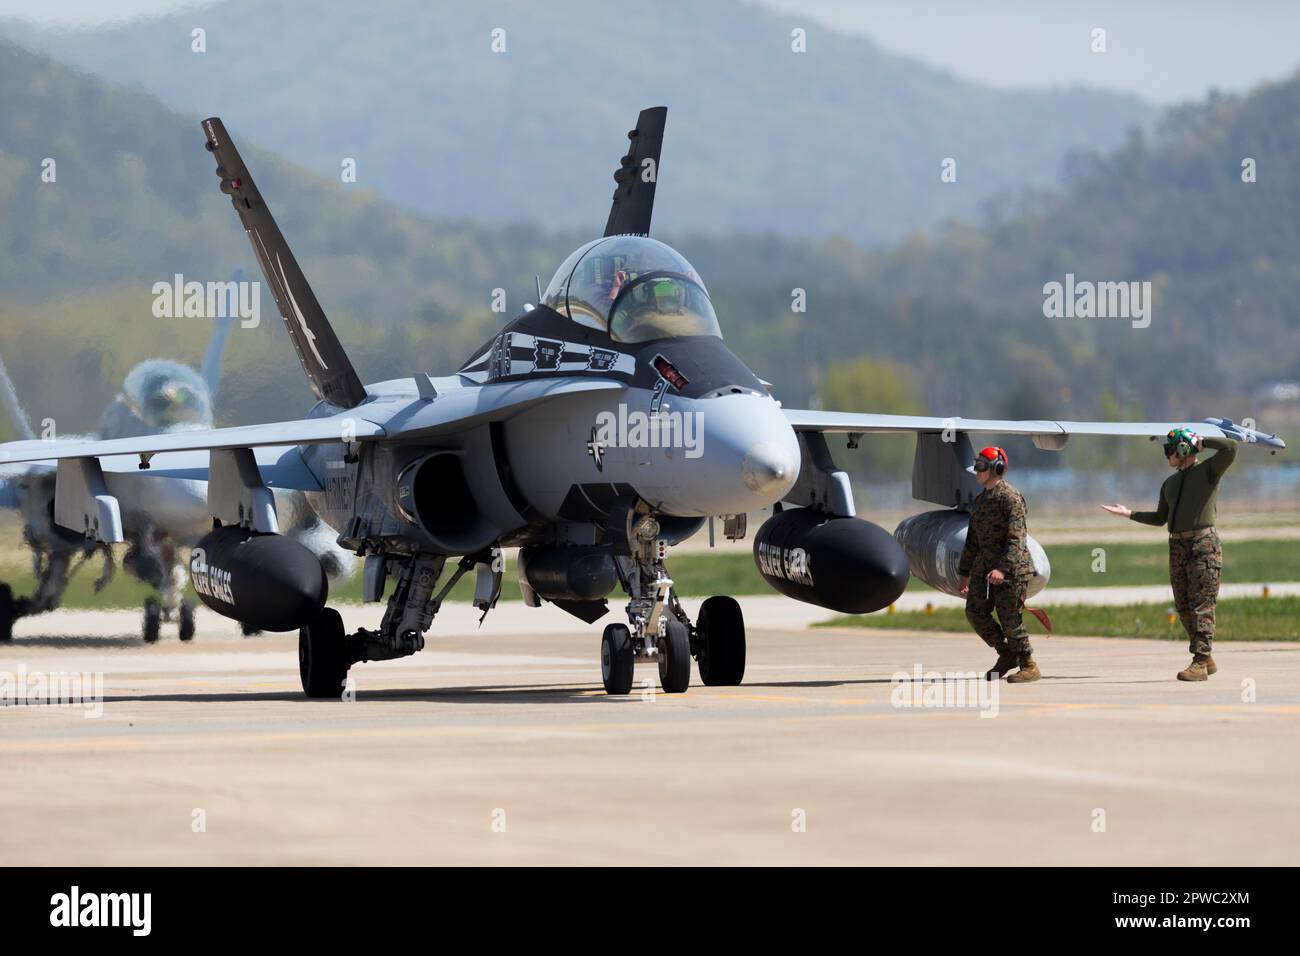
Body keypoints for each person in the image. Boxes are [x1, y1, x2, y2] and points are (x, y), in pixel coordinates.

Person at [1102, 428, 1237, 681]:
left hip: (1202, 546)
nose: (1167, 455)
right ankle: (1205, 657)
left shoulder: (1208, 472)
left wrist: (1201, 441)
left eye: (1170, 449)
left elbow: (1231, 447)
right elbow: (1160, 518)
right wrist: (1129, 513)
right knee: (1184, 607)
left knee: (1201, 606)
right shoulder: (1170, 483)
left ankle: (1199, 662)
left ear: (1183, 450)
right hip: (1177, 548)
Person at [957, 446, 1041, 683]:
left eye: (982, 466)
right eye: (977, 465)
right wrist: (964, 573)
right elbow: (972, 540)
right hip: (984, 571)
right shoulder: (981, 501)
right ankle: (1006, 654)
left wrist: (1002, 569)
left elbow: (1017, 538)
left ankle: (1029, 664)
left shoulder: (1011, 498)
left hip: (1012, 571)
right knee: (975, 612)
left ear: (997, 469)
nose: (977, 470)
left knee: (1010, 619)